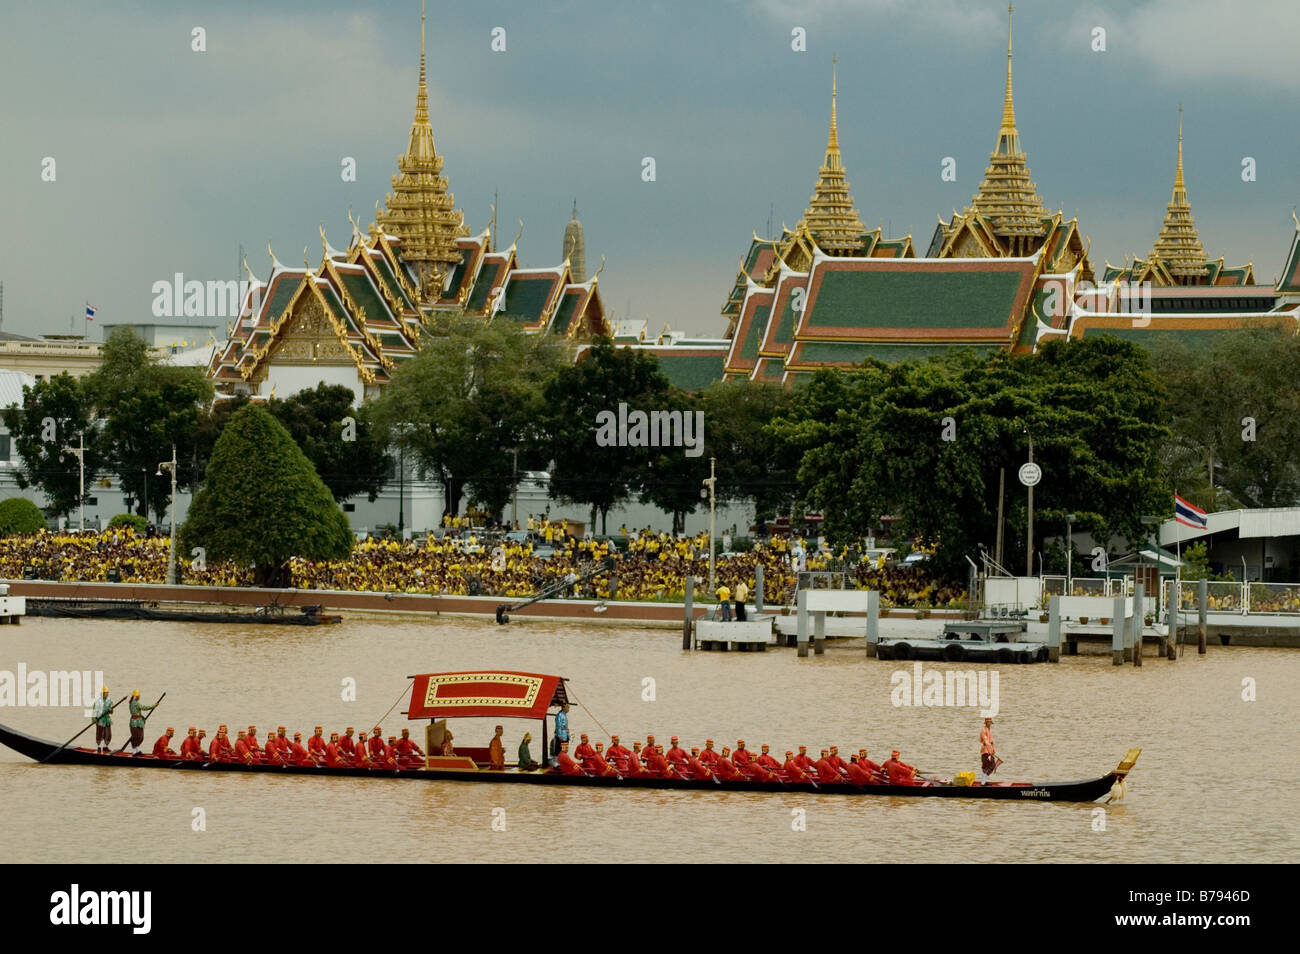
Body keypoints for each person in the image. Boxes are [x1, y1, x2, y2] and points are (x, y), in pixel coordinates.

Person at [124, 690, 156, 756]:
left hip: (139, 722)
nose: (139, 697)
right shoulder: (135, 703)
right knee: (137, 737)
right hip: (135, 722)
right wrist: (153, 706)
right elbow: (144, 708)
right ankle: (134, 751)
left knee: (140, 737)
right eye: (138, 696)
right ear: (136, 696)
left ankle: (137, 749)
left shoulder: (133, 702)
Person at [92, 687, 114, 754]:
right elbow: (95, 710)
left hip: (107, 719)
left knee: (108, 734)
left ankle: (105, 746)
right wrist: (94, 718)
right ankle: (99, 747)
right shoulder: (98, 701)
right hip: (100, 719)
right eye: (105, 693)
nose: (106, 694)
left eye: (107, 693)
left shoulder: (110, 700)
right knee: (100, 733)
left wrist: (111, 710)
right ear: (103, 693)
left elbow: (112, 710)